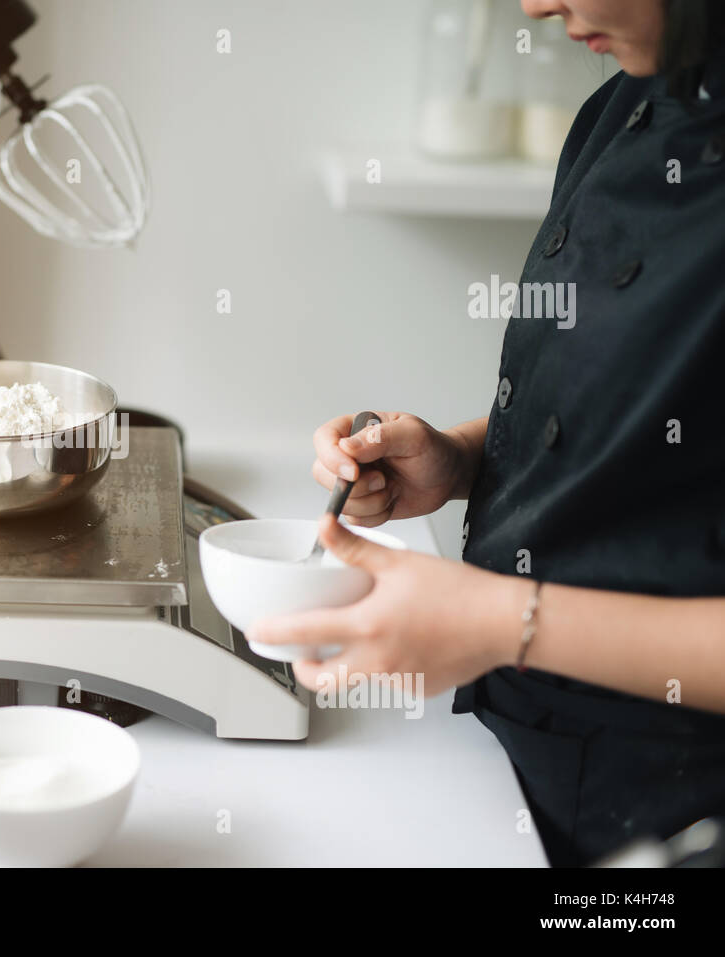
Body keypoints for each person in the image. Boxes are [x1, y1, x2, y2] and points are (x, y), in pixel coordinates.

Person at [252, 0, 725, 866]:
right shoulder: (620, 108)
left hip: (669, 806)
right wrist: (460, 459)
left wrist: (505, 620)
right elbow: (640, 423)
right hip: (510, 756)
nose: (535, 5)